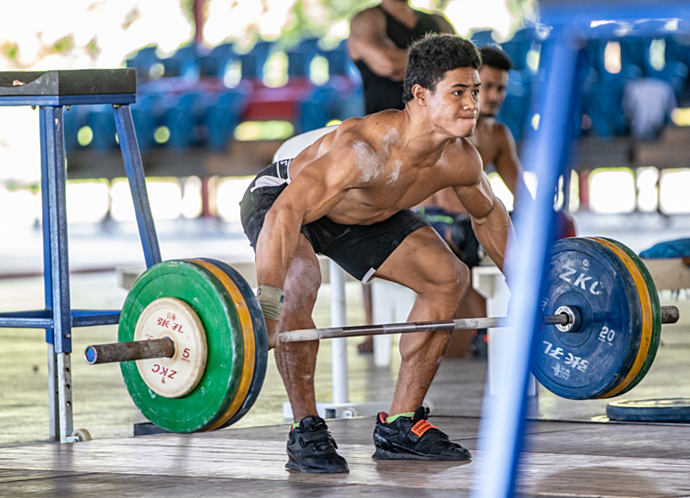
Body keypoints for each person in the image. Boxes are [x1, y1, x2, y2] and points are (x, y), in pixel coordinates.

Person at [239, 34, 512, 473]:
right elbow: (286, 214)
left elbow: (490, 218)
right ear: (421, 95)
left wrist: (529, 288)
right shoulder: (363, 150)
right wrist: (269, 307)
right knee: (301, 281)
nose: (471, 104)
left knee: (448, 277)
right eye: (458, 92)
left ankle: (402, 425)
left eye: (475, 91)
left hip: (363, 215)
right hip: (282, 201)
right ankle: (305, 428)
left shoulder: (460, 159)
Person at [415, 46, 576, 358]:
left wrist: (549, 220)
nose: (492, 96)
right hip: (435, 221)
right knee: (467, 231)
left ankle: (560, 306)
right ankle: (482, 329)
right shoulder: (444, 127)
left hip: (473, 223)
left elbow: (524, 198)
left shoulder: (497, 134)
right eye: (484, 87)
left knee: (558, 222)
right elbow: (456, 201)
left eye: (500, 88)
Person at [348, 1, 453, 352]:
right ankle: (371, 325)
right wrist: (433, 65)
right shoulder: (368, 19)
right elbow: (384, 63)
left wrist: (410, 63)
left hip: (430, 134)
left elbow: (457, 70)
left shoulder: (435, 19)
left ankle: (440, 320)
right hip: (380, 139)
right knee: (368, 218)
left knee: (443, 216)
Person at [348, 0, 453, 115]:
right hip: (386, 126)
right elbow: (389, 64)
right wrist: (443, 64)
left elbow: (462, 67)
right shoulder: (366, 19)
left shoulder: (438, 21)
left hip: (438, 124)